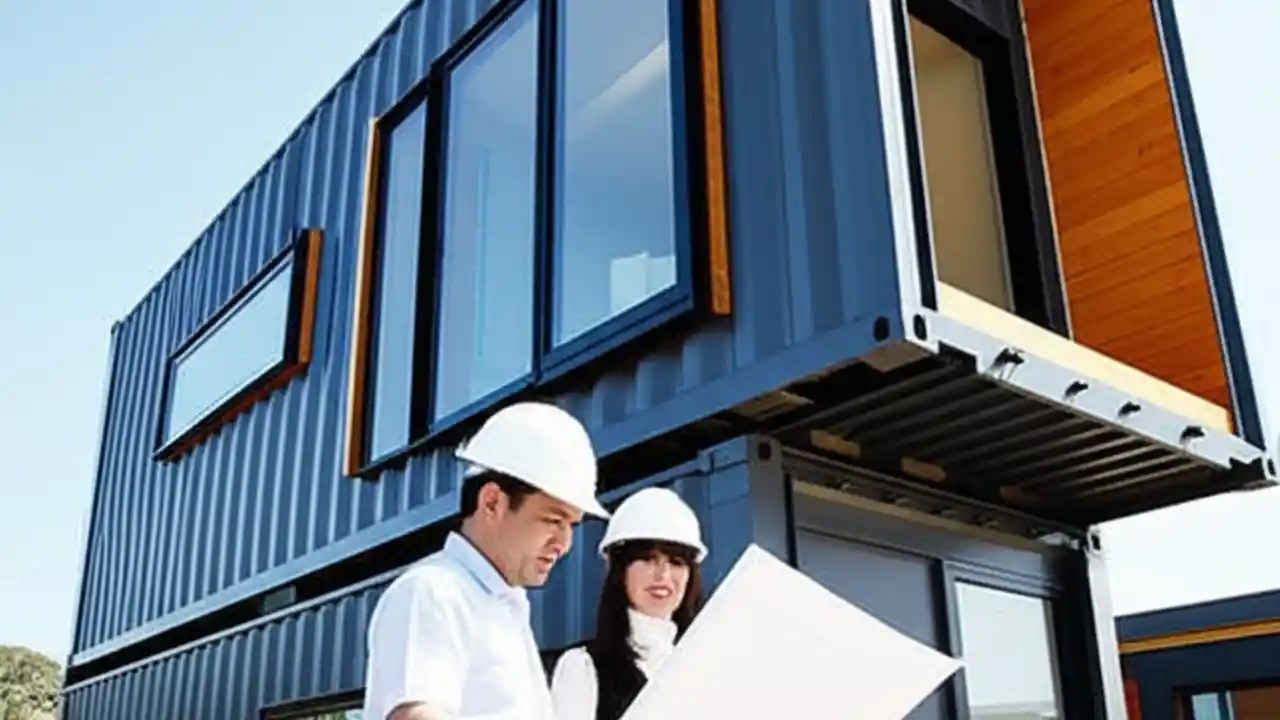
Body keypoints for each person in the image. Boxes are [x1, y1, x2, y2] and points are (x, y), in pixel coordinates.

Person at [362, 401, 611, 720]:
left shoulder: (501, 606)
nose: (564, 544)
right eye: (553, 520)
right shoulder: (433, 593)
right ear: (492, 502)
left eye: (572, 525)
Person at [549, 487, 708, 720]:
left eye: (676, 562)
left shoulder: (703, 666)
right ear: (620, 570)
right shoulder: (582, 667)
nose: (663, 575)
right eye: (647, 559)